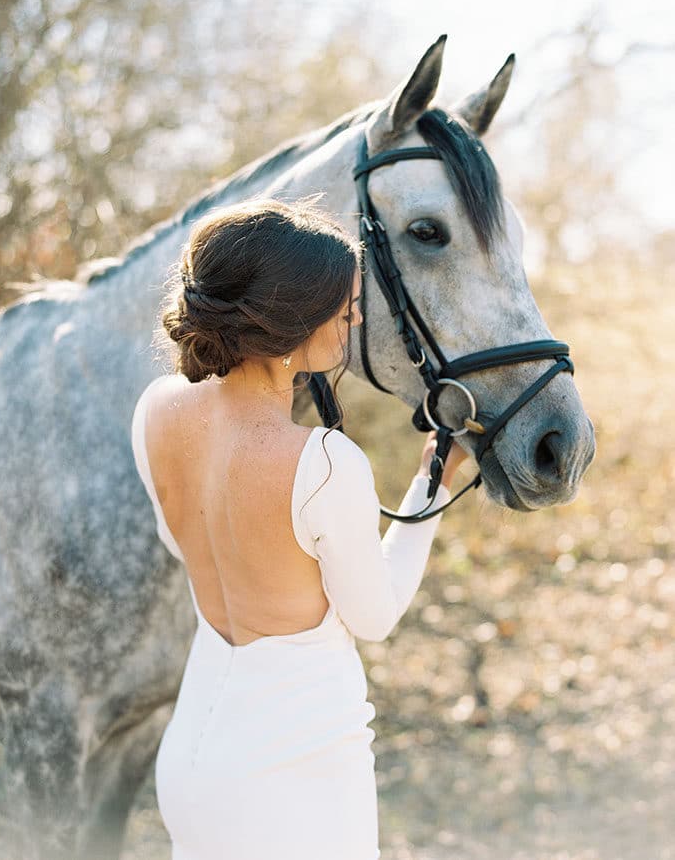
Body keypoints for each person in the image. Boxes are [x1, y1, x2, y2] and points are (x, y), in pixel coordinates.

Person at [131, 197, 468, 860]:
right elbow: (372, 615)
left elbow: (183, 544)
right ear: (288, 321)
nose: (358, 318)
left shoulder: (157, 411)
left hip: (194, 762)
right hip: (293, 780)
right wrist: (435, 481)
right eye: (345, 309)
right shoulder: (322, 463)